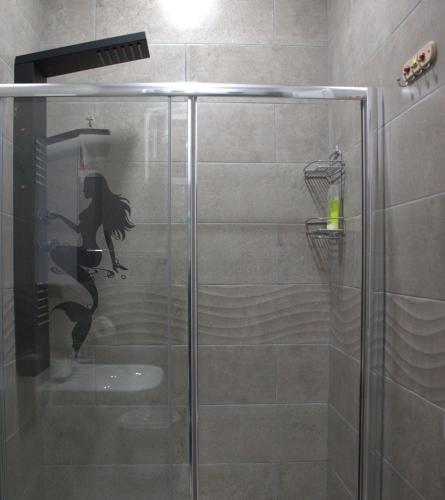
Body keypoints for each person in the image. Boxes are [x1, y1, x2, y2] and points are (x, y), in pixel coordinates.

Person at [48, 173, 134, 356]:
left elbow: (107, 237)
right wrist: (60, 217)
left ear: (94, 188)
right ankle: (86, 291)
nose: (83, 189)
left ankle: (85, 284)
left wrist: (114, 261)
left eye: (86, 186)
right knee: (59, 252)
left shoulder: (99, 210)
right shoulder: (92, 208)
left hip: (91, 254)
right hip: (86, 251)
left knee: (58, 252)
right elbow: (78, 229)